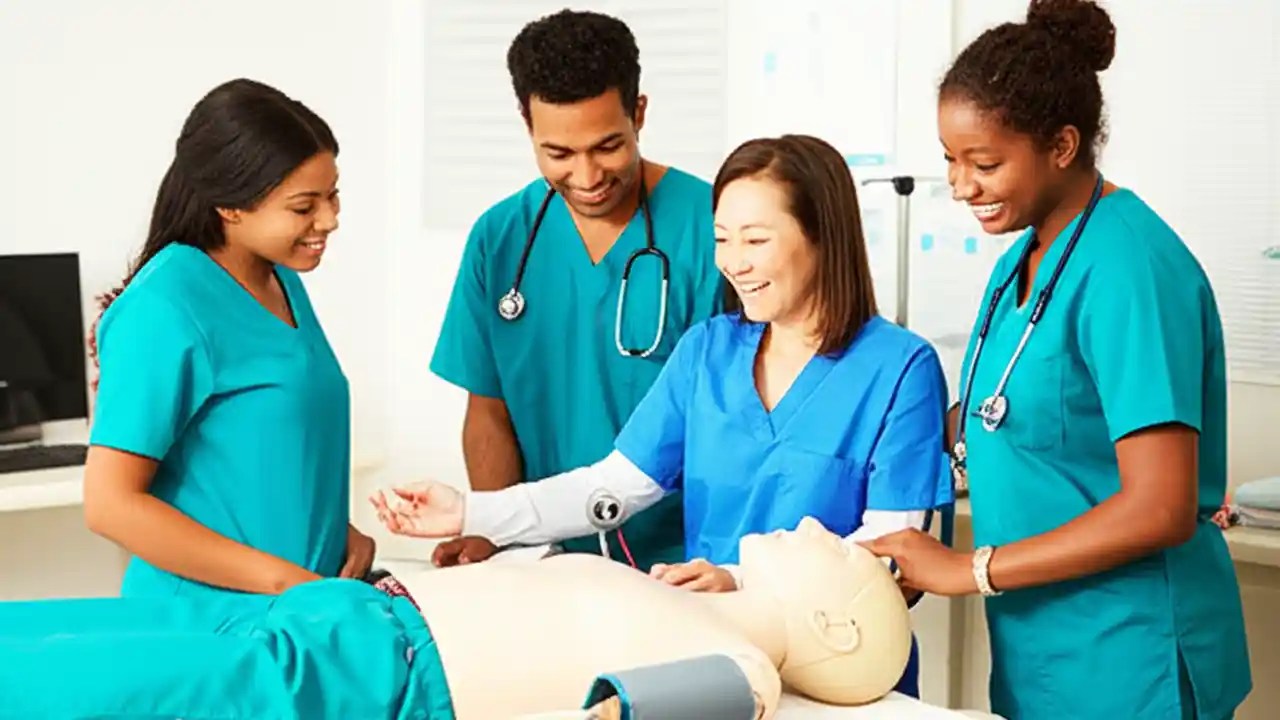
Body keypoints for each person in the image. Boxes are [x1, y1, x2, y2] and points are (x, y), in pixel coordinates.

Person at [376, 134, 954, 698]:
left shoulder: (900, 367)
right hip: (721, 659)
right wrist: (469, 511)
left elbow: (888, 549)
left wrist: (741, 583)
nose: (733, 263)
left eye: (755, 240)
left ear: (823, 235)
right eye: (721, 239)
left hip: (842, 668)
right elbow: (613, 488)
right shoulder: (708, 351)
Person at [862, 2, 1252, 719]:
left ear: (1063, 146)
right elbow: (1001, 416)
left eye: (985, 164)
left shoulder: (1130, 268)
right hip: (1042, 653)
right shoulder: (1023, 261)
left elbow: (1161, 506)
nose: (961, 186)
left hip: (1131, 658)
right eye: (950, 159)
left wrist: (967, 568)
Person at [0, 517, 913, 719]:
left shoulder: (740, 666)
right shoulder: (698, 601)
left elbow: (617, 716)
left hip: (383, 676)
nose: (814, 530)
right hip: (357, 616)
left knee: (88, 683)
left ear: (834, 629)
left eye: (839, 554)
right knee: (72, 630)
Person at [428, 9, 724, 571]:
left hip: (684, 561)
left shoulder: (715, 228)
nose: (587, 177)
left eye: (607, 146)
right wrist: (493, 529)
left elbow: (743, 419)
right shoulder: (500, 238)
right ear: (527, 125)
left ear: (639, 113)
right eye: (559, 154)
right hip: (548, 559)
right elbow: (489, 409)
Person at [82, 78, 375, 600]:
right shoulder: (163, 307)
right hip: (209, 621)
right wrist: (286, 580)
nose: (329, 219)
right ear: (230, 205)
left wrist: (336, 532)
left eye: (333, 195)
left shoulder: (278, 278)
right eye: (304, 206)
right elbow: (110, 505)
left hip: (299, 608)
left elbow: (262, 454)